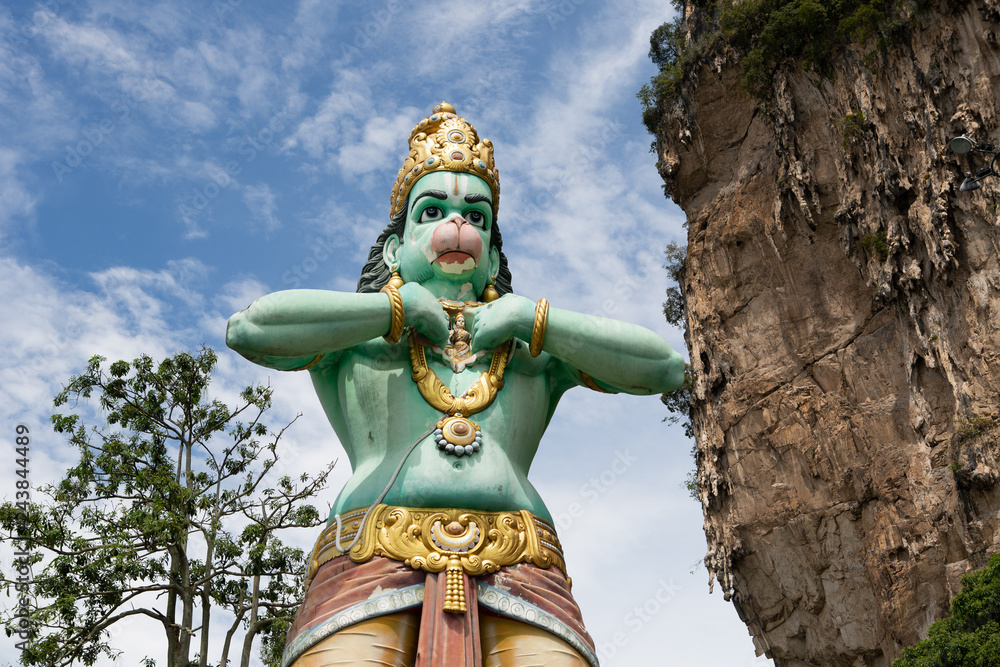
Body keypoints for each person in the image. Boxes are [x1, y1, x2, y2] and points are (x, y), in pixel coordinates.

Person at [226, 102, 686, 667]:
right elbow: (250, 329)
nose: (458, 223)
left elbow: (666, 369)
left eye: (477, 215)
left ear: (492, 255)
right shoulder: (354, 337)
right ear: (395, 248)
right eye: (433, 210)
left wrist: (530, 320)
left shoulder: (529, 353)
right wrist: (394, 310)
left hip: (522, 562)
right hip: (368, 553)